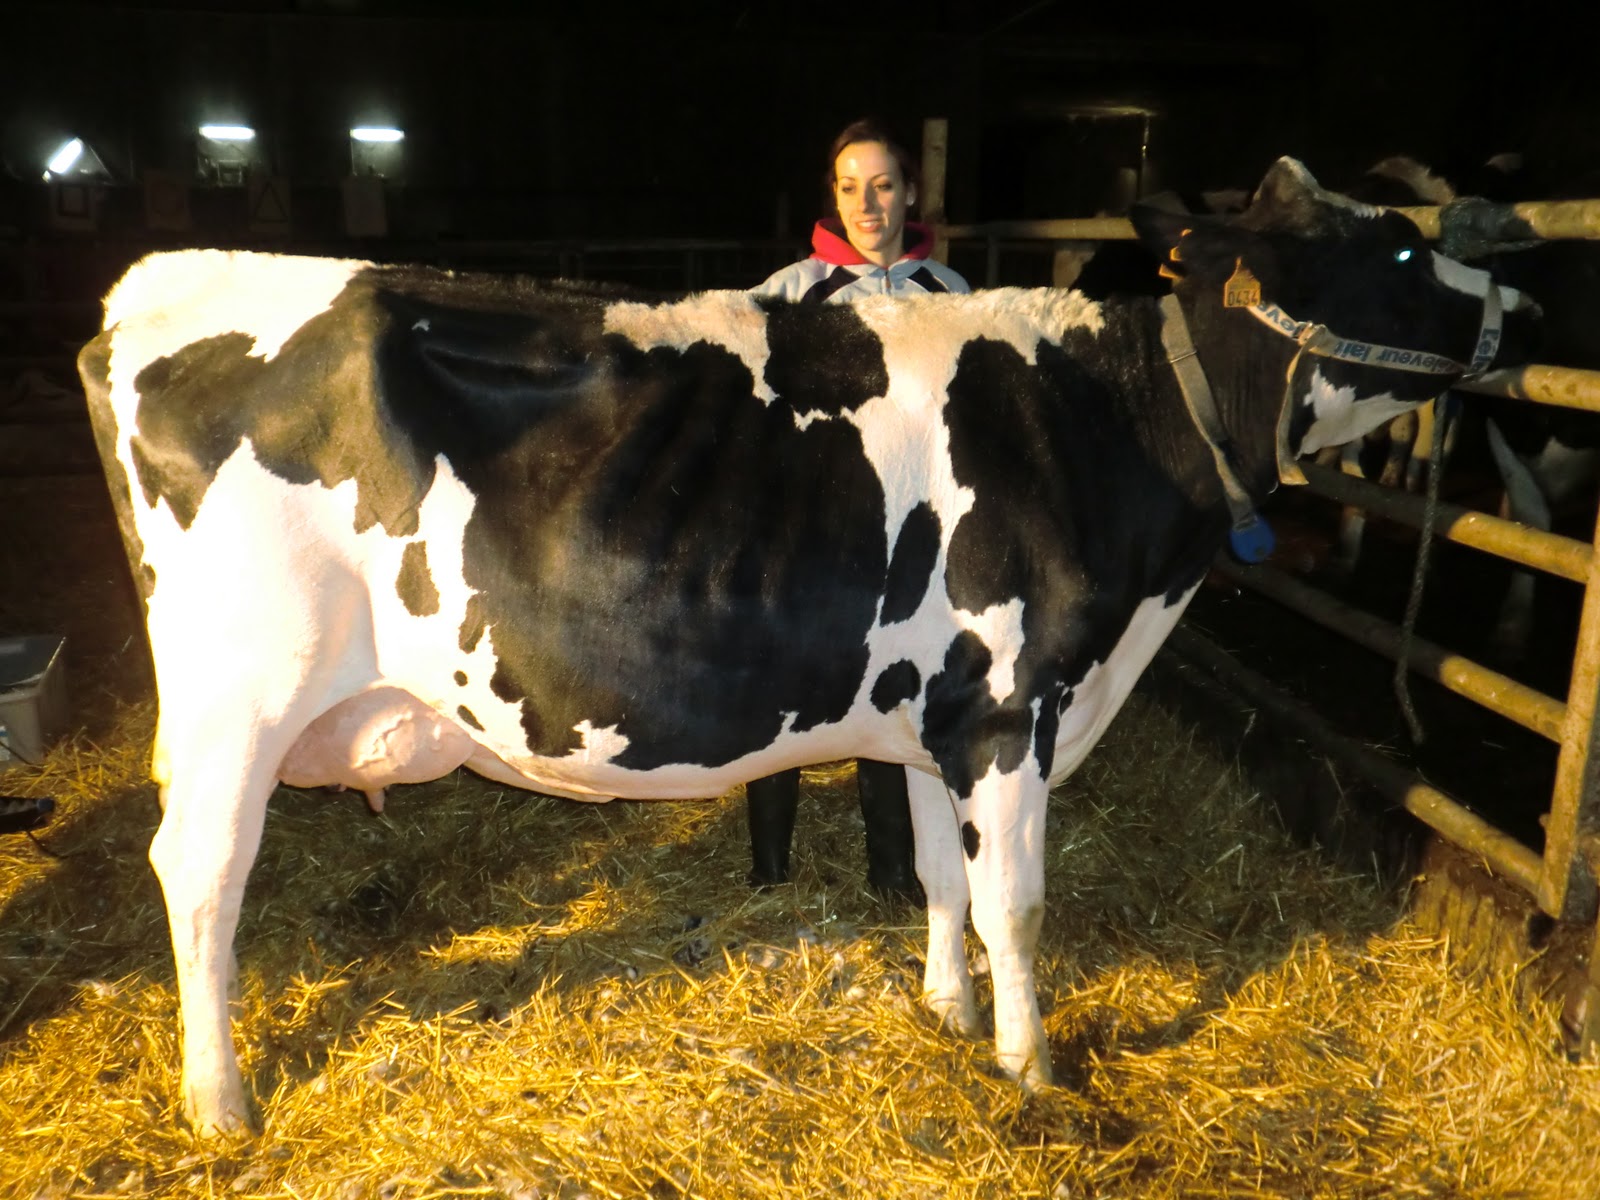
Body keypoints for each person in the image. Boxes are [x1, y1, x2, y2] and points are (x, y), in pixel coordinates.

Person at [744, 119, 971, 901]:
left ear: (910, 192)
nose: (866, 204)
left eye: (882, 185)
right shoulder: (787, 291)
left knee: (889, 691)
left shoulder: (951, 295)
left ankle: (890, 874)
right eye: (849, 186)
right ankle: (770, 872)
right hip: (806, 528)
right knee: (786, 691)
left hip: (905, 535)